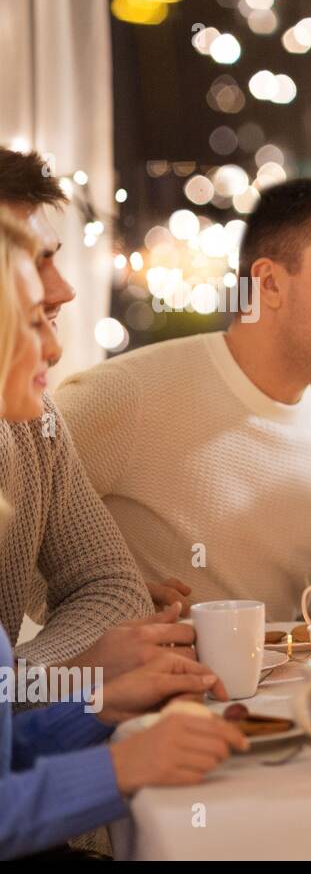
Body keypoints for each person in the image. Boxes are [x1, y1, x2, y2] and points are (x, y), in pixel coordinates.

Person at [0, 206, 247, 860]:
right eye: (30, 318)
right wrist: (120, 764)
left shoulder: (33, 425)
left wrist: (94, 706)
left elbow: (7, 751)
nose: (55, 344)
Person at [56, 178, 311, 621]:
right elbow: (19, 521)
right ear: (269, 283)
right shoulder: (129, 393)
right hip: (153, 689)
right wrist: (101, 602)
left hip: (287, 689)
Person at [0, 149, 178, 677]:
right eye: (33, 264)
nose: (64, 291)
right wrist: (58, 679)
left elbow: (111, 588)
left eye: (53, 257)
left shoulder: (37, 420)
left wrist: (31, 681)